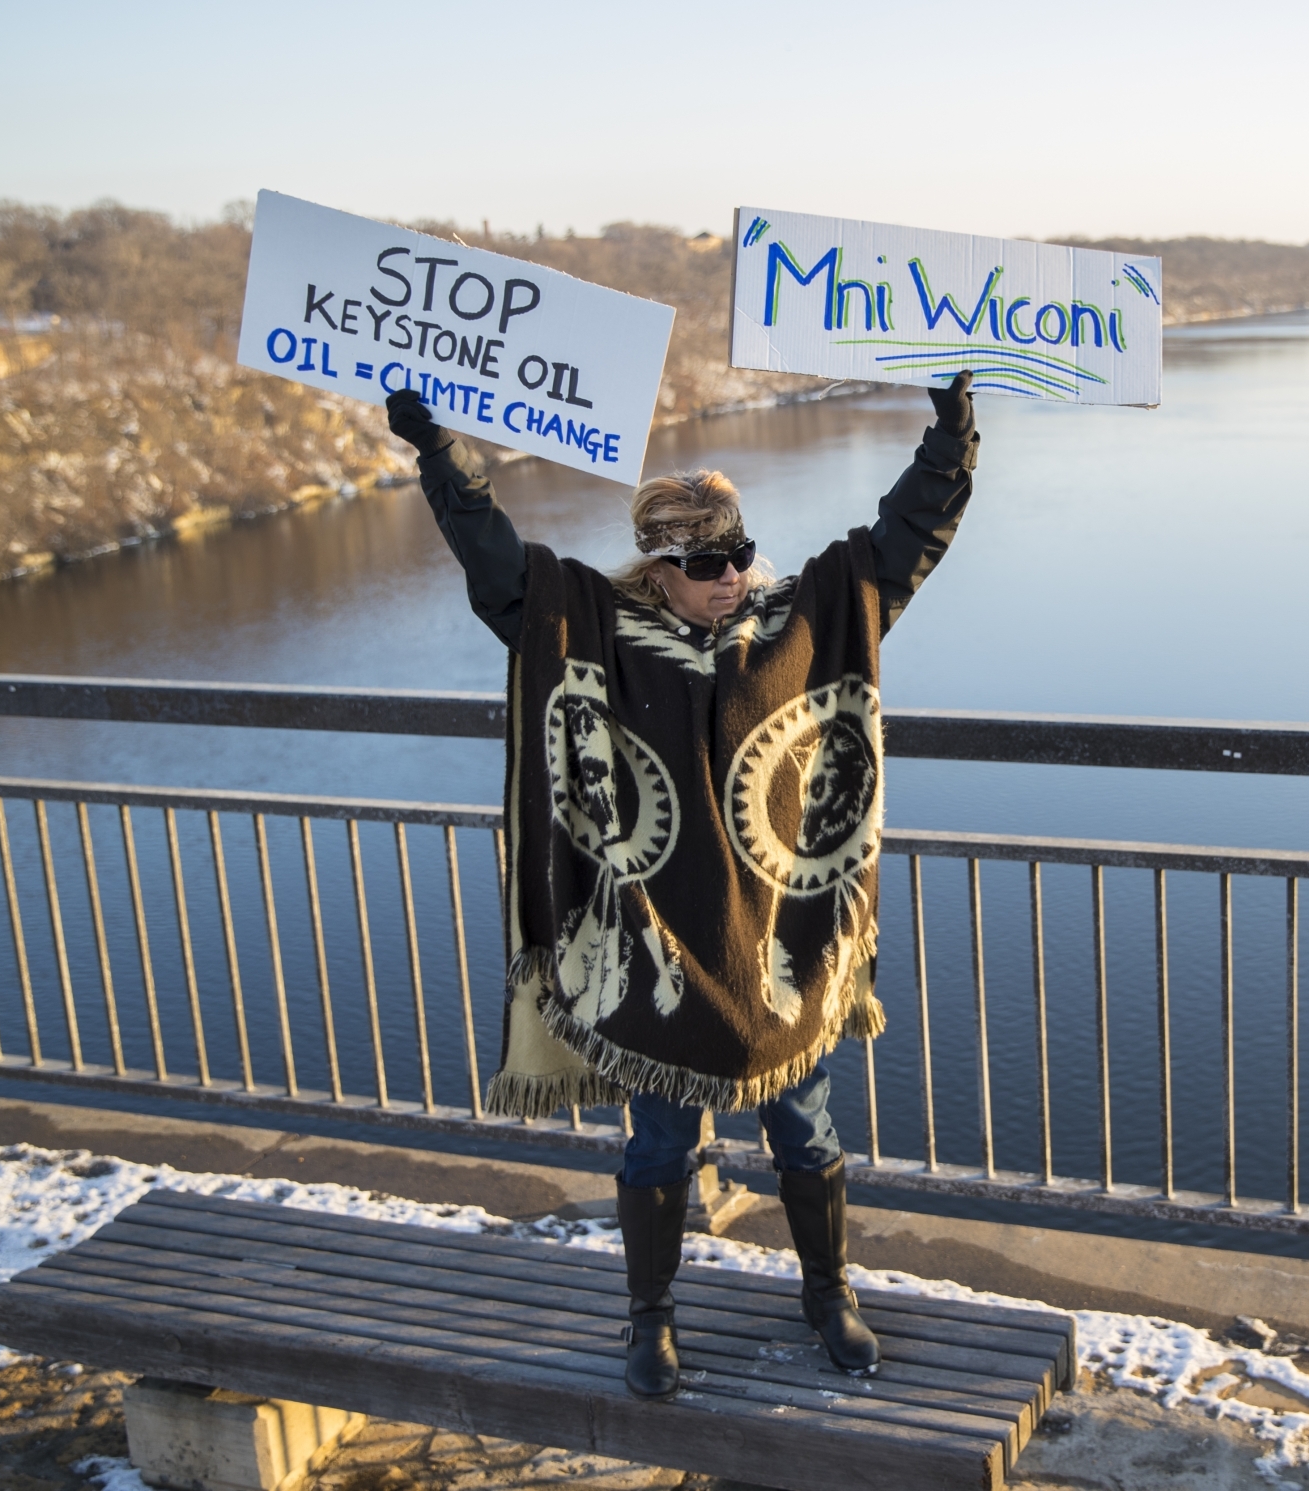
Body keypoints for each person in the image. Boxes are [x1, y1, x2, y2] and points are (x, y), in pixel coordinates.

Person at [384, 371, 978, 1401]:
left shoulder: (800, 618)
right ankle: (648, 1320)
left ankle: (828, 1294)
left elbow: (901, 545)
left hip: (778, 940)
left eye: (740, 554)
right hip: (661, 943)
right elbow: (494, 565)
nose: (733, 576)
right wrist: (440, 453)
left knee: (807, 1127)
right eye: (708, 563)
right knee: (657, 1144)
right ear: (660, 567)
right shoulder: (593, 630)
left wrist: (950, 438)